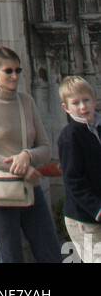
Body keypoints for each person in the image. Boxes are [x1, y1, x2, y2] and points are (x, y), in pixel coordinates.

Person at [0, 45, 62, 263]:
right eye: (8, 71)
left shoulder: (26, 101)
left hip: (30, 187)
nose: (14, 76)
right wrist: (17, 165)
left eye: (18, 70)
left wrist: (27, 156)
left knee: (50, 253)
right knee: (11, 257)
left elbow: (45, 148)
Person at [57, 76, 101, 263]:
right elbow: (73, 180)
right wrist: (97, 208)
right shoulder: (70, 136)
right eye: (75, 103)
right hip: (84, 218)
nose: (83, 107)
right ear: (66, 108)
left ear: (94, 100)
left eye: (86, 100)